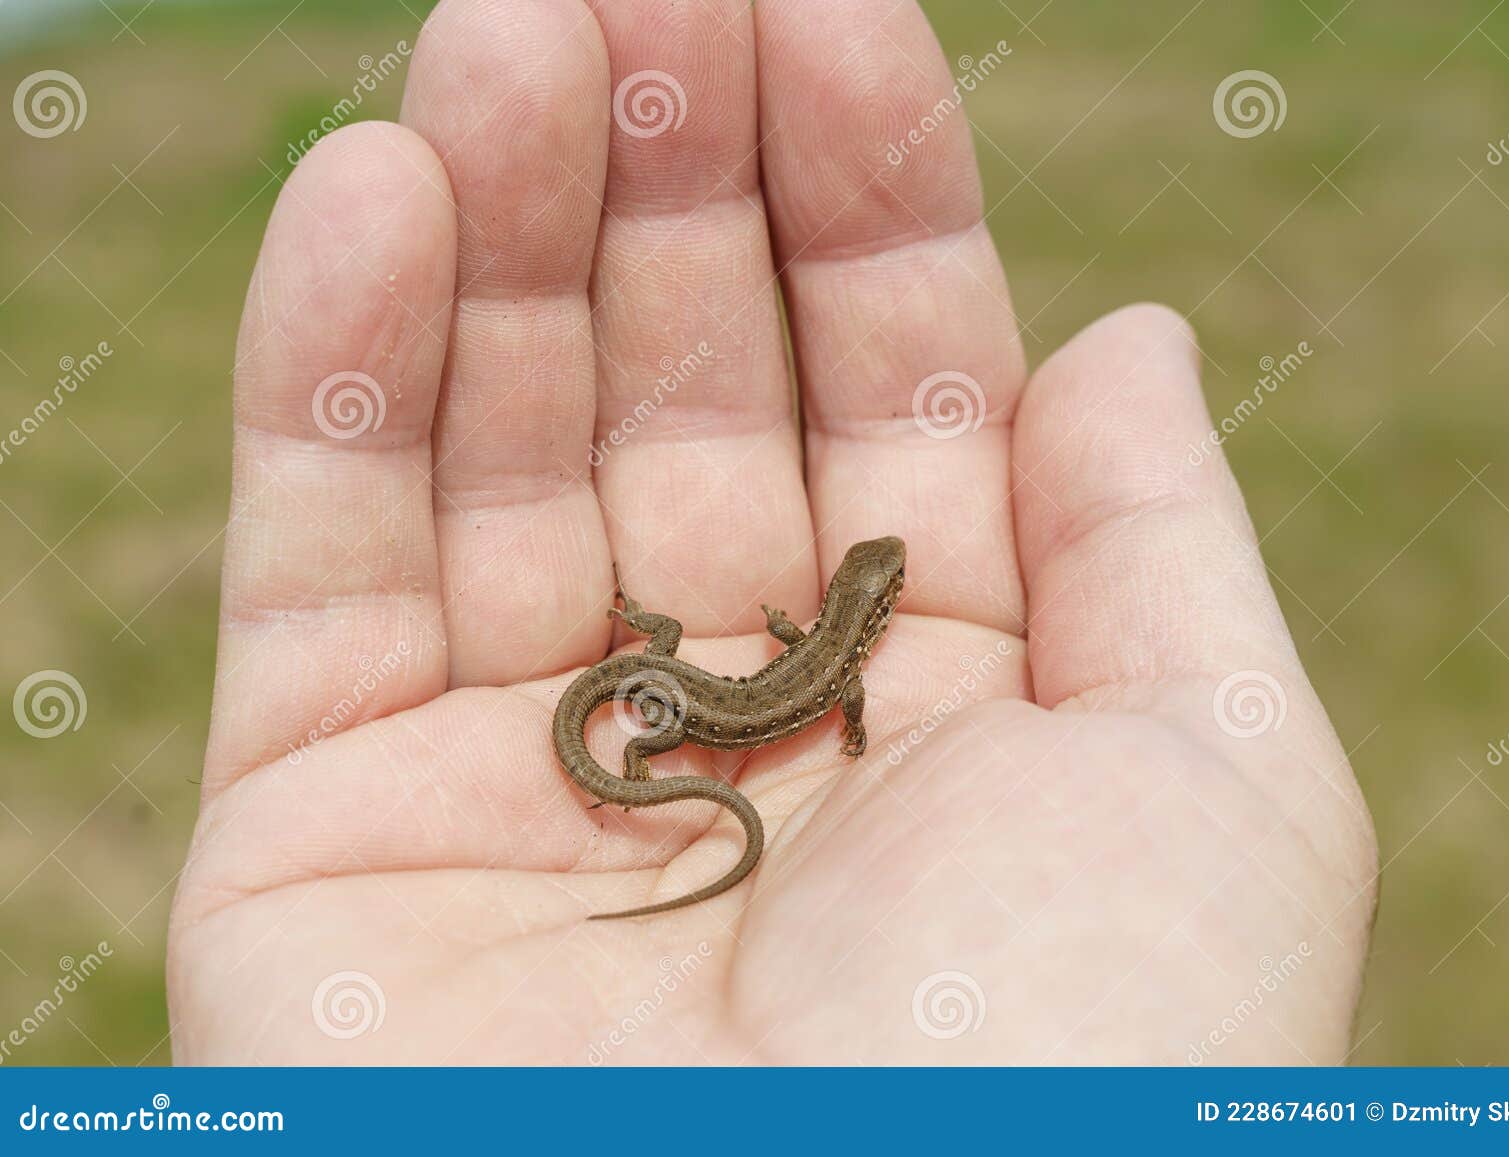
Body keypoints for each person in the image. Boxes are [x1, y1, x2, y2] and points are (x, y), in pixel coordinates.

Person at [167, 0, 1376, 1064]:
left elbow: (807, 647)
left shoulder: (814, 644)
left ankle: (641, 736)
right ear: (879, 610)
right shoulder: (838, 668)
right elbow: (831, 687)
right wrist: (826, 744)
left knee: (678, 660)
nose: (883, 578)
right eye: (883, 575)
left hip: (676, 686)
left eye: (878, 574)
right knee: (682, 708)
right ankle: (642, 757)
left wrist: (660, 669)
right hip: (680, 700)